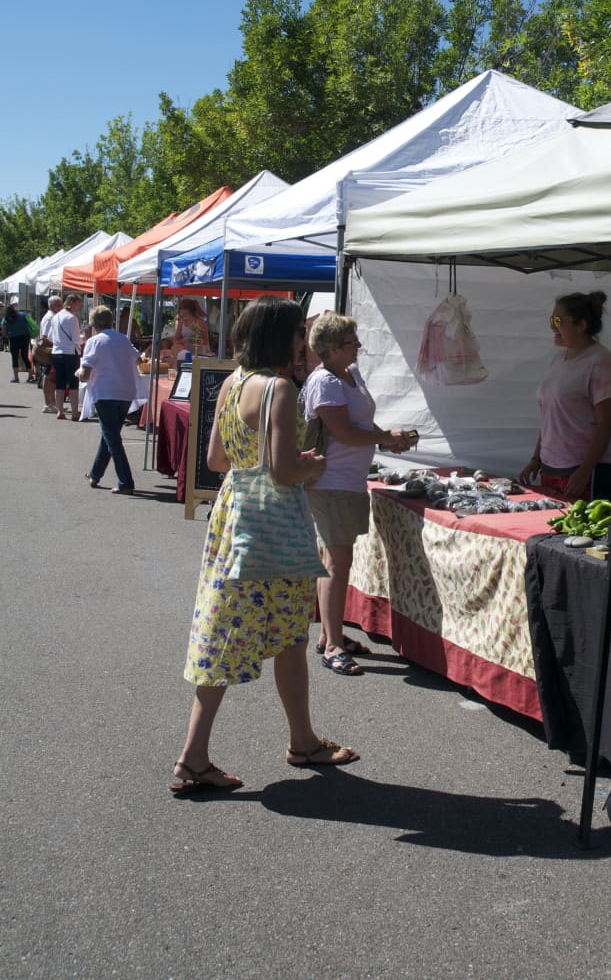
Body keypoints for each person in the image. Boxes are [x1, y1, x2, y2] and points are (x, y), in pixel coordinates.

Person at [171, 296, 357, 796]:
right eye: (299, 333)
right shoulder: (278, 388)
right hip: (274, 525)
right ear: (282, 337)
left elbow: (215, 458)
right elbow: (282, 471)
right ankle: (278, 745)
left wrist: (265, 465)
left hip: (235, 519)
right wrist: (311, 465)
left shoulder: (233, 382)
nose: (304, 343)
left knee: (232, 631)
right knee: (286, 635)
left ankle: (281, 743)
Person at [303, 311, 414, 676]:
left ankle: (329, 635)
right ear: (333, 348)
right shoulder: (326, 382)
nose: (359, 347)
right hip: (331, 482)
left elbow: (362, 425)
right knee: (336, 563)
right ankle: (333, 643)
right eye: (352, 341)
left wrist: (387, 440)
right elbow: (345, 434)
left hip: (347, 482)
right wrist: (385, 438)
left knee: (335, 562)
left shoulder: (349, 374)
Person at [519, 291, 611, 503]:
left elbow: (607, 423)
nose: (552, 326)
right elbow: (551, 414)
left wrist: (585, 471)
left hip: (586, 470)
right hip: (552, 466)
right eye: (551, 319)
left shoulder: (601, 363)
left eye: (557, 320)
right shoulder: (559, 359)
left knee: (582, 532)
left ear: (581, 325)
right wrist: (536, 458)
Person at [77, 306, 147, 494]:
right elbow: (139, 360)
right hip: (125, 391)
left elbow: (85, 372)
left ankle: (126, 481)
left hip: (105, 391)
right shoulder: (122, 339)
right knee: (109, 435)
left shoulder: (94, 341)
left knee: (112, 437)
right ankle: (95, 474)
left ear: (93, 324)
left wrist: (79, 374)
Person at [48, 293, 83, 420]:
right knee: (73, 384)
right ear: (72, 303)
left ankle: (60, 411)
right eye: (78, 304)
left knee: (60, 383)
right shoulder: (72, 318)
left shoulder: (55, 317)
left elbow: (51, 337)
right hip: (70, 353)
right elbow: (76, 339)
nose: (79, 307)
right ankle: (74, 413)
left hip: (56, 352)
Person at [38, 295, 63, 412]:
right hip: (50, 350)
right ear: (52, 306)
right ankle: (49, 404)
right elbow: (45, 337)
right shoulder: (50, 317)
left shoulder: (51, 316)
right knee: (49, 377)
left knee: (49, 377)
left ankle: (51, 403)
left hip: (50, 350)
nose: (61, 307)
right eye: (59, 305)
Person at [1, 302, 35, 383]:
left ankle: (16, 377)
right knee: (25, 357)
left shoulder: (5, 319)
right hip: (24, 338)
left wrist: (7, 335)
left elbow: (4, 332)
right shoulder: (22, 315)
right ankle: (30, 376)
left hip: (13, 339)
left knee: (14, 358)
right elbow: (30, 323)